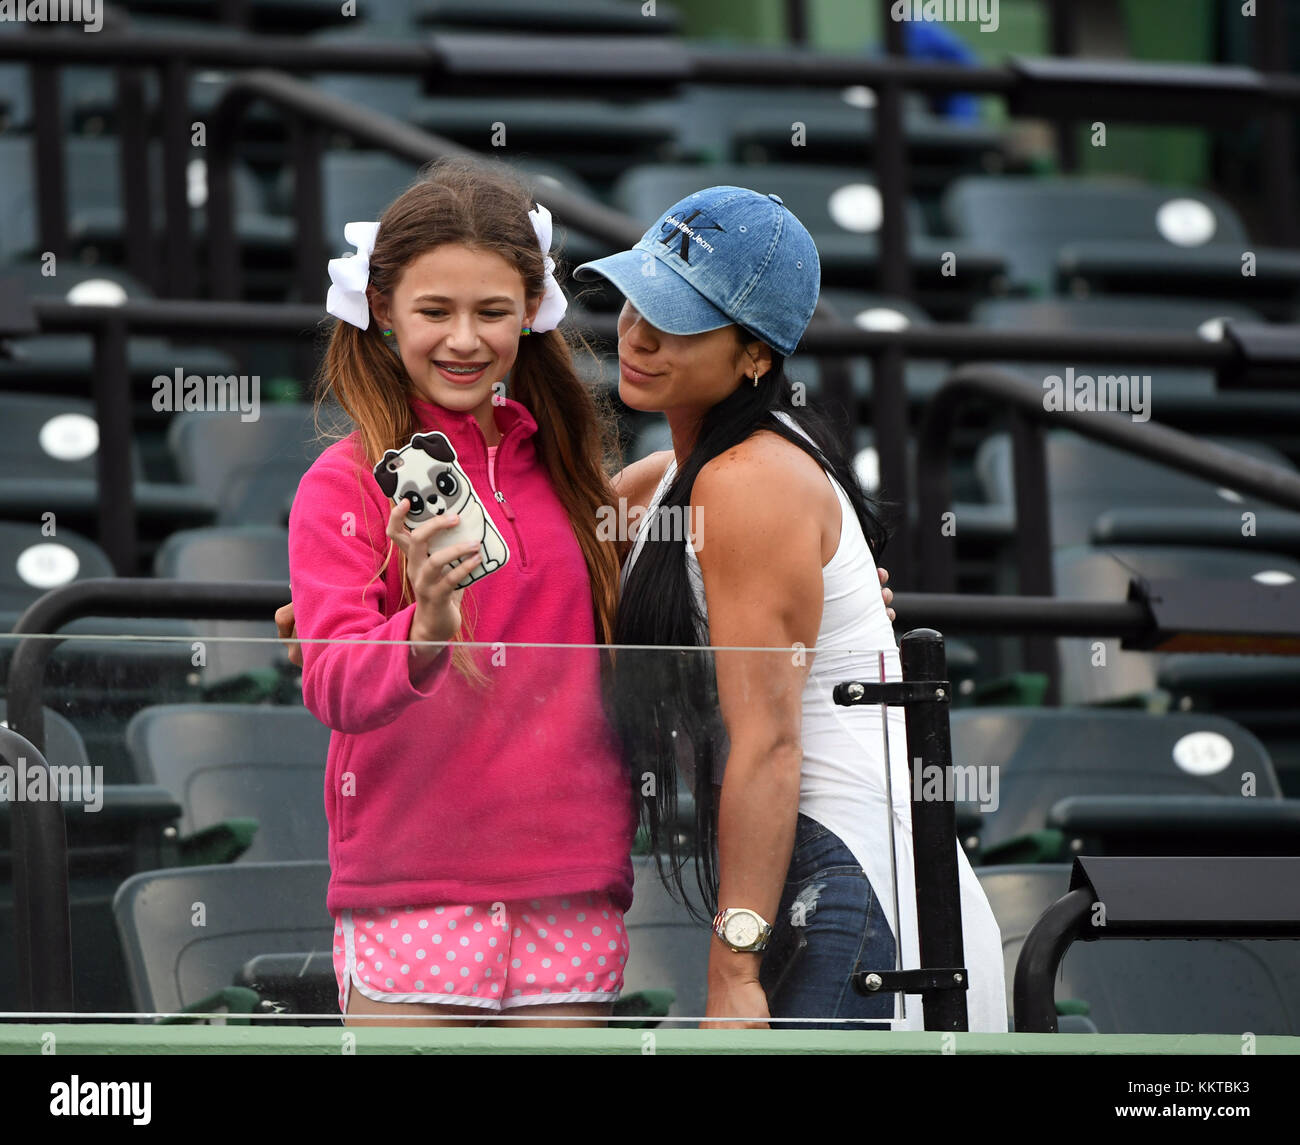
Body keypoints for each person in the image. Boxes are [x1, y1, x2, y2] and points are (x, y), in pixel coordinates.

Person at [572, 185, 1008, 1031]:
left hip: (857, 883)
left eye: (681, 316)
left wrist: (733, 966)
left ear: (756, 356)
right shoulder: (664, 481)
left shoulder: (752, 484)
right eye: (636, 298)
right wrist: (359, 591)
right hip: (811, 870)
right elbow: (531, 565)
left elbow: (771, 745)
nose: (639, 332)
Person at [287, 155, 639, 1028]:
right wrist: (427, 625)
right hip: (411, 885)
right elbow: (331, 680)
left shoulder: (577, 478)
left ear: (532, 312)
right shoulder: (342, 483)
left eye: (492, 311)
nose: (464, 339)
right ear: (381, 310)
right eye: (434, 311)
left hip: (571, 882)